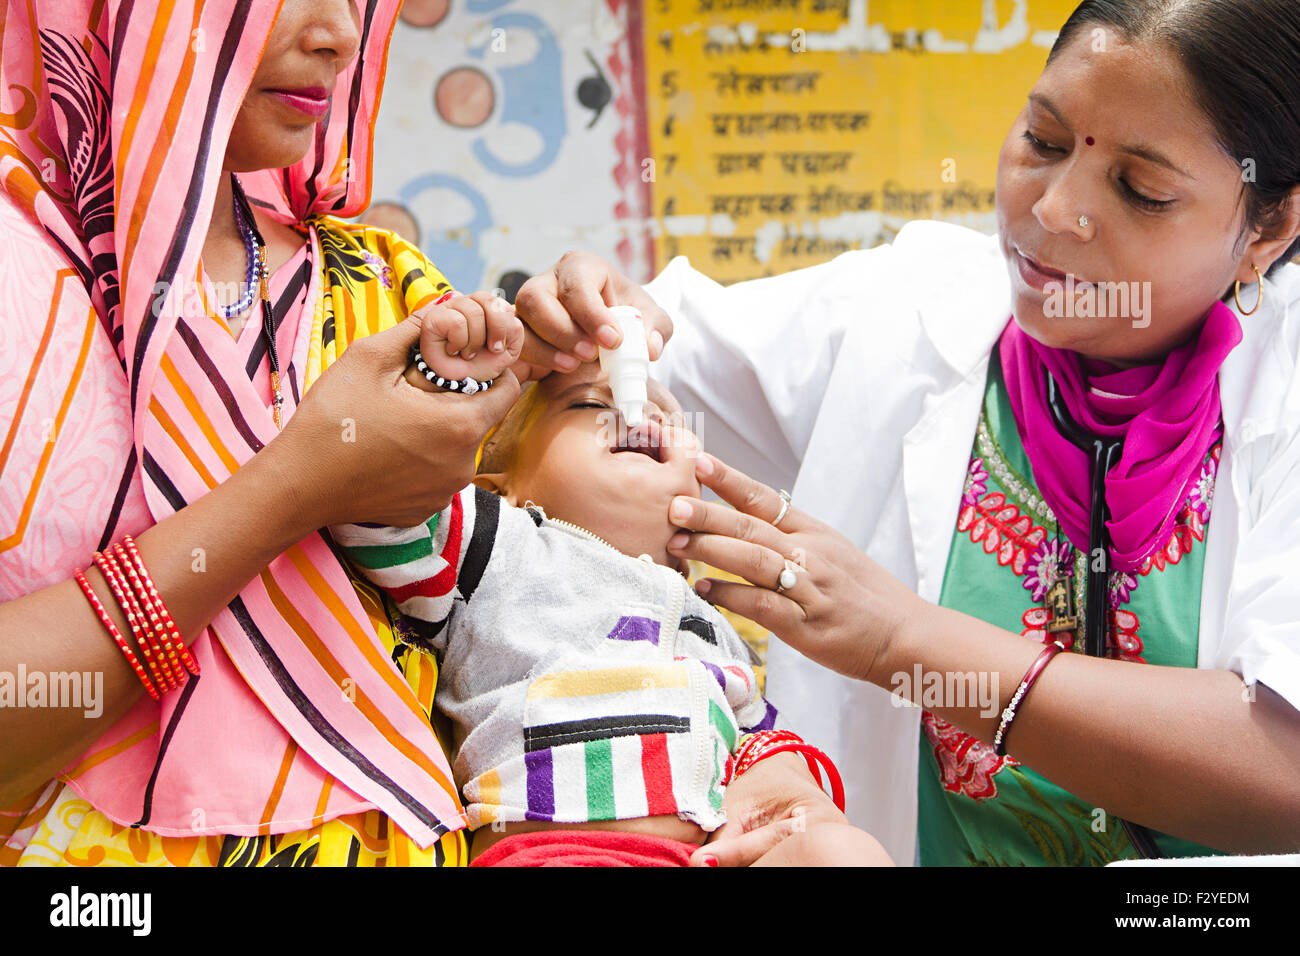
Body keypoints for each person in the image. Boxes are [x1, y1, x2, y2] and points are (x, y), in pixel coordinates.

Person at [0, 0, 822, 867]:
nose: (339, 36)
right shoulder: (23, 286)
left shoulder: (380, 281)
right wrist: (296, 488)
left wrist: (542, 349)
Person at [510, 0, 1300, 866]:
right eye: (1041, 139)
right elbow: (627, 373)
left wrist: (902, 642)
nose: (1054, 209)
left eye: (1142, 190)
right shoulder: (898, 317)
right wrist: (584, 329)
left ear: (1271, 227)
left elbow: (1283, 777)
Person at [327, 305, 892, 865]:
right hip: (553, 851)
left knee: (843, 851)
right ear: (503, 487)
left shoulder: (712, 618)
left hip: (705, 853)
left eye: (669, 418)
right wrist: (451, 381)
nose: (634, 410)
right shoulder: (497, 542)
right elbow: (380, 501)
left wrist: (790, 779)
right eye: (590, 403)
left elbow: (756, 734)